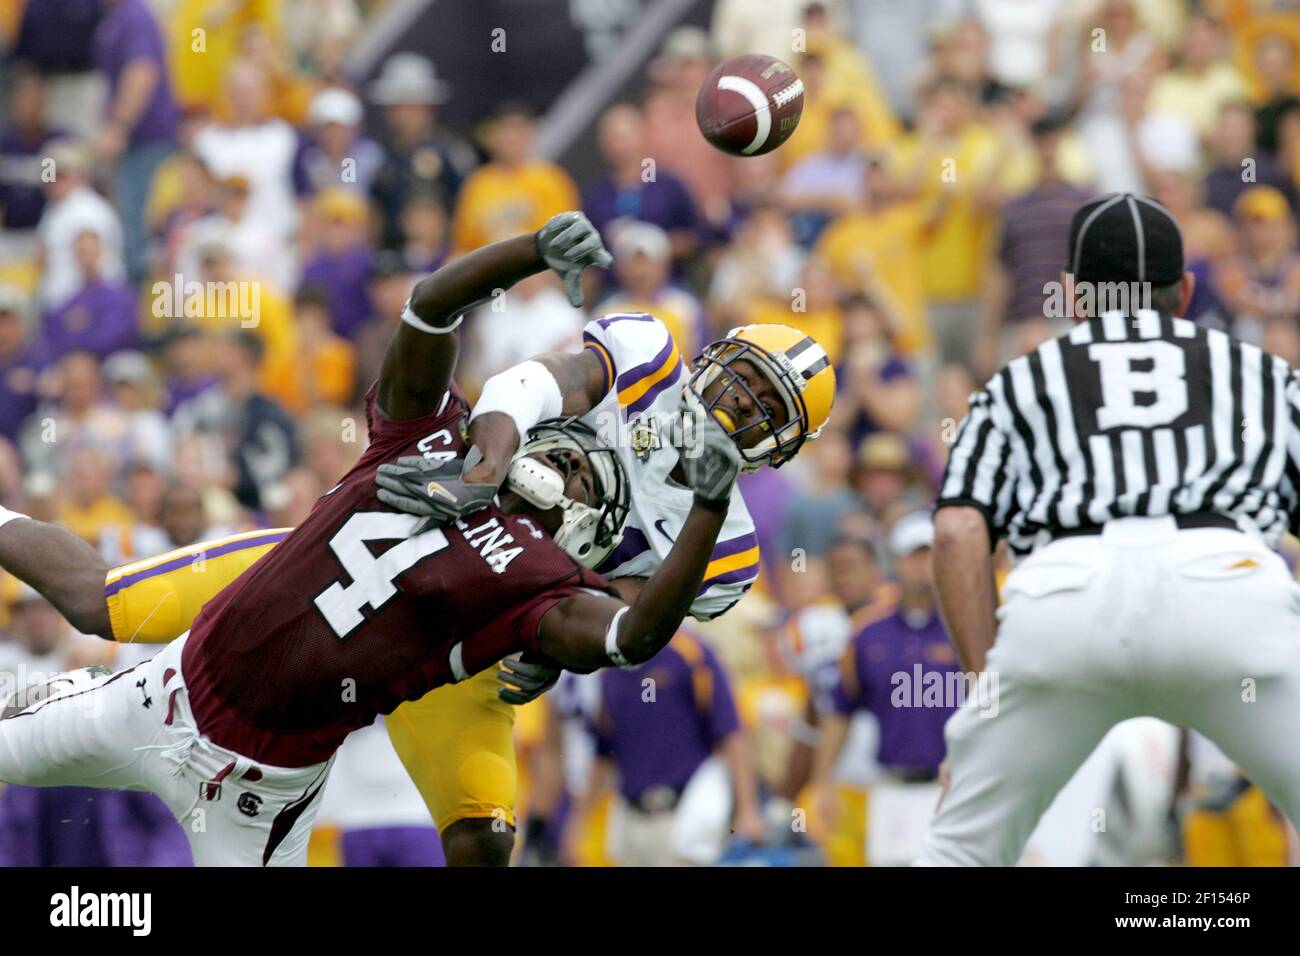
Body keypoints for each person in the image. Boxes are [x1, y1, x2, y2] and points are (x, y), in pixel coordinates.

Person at [0, 212, 745, 867]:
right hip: (161, 694)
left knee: (484, 837)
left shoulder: (539, 585)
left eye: (583, 477)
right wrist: (528, 252)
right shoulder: (427, 441)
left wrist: (704, 506)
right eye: (566, 450)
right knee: (98, 603)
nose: (566, 464)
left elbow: (634, 632)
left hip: (260, 790)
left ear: (590, 529)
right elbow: (430, 311)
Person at [922, 192, 1300, 866]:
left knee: (960, 852)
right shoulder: (1264, 376)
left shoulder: (1018, 383)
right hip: (1228, 587)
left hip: (1065, 600)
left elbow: (955, 531)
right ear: (1182, 292)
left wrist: (989, 696)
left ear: (1071, 296)